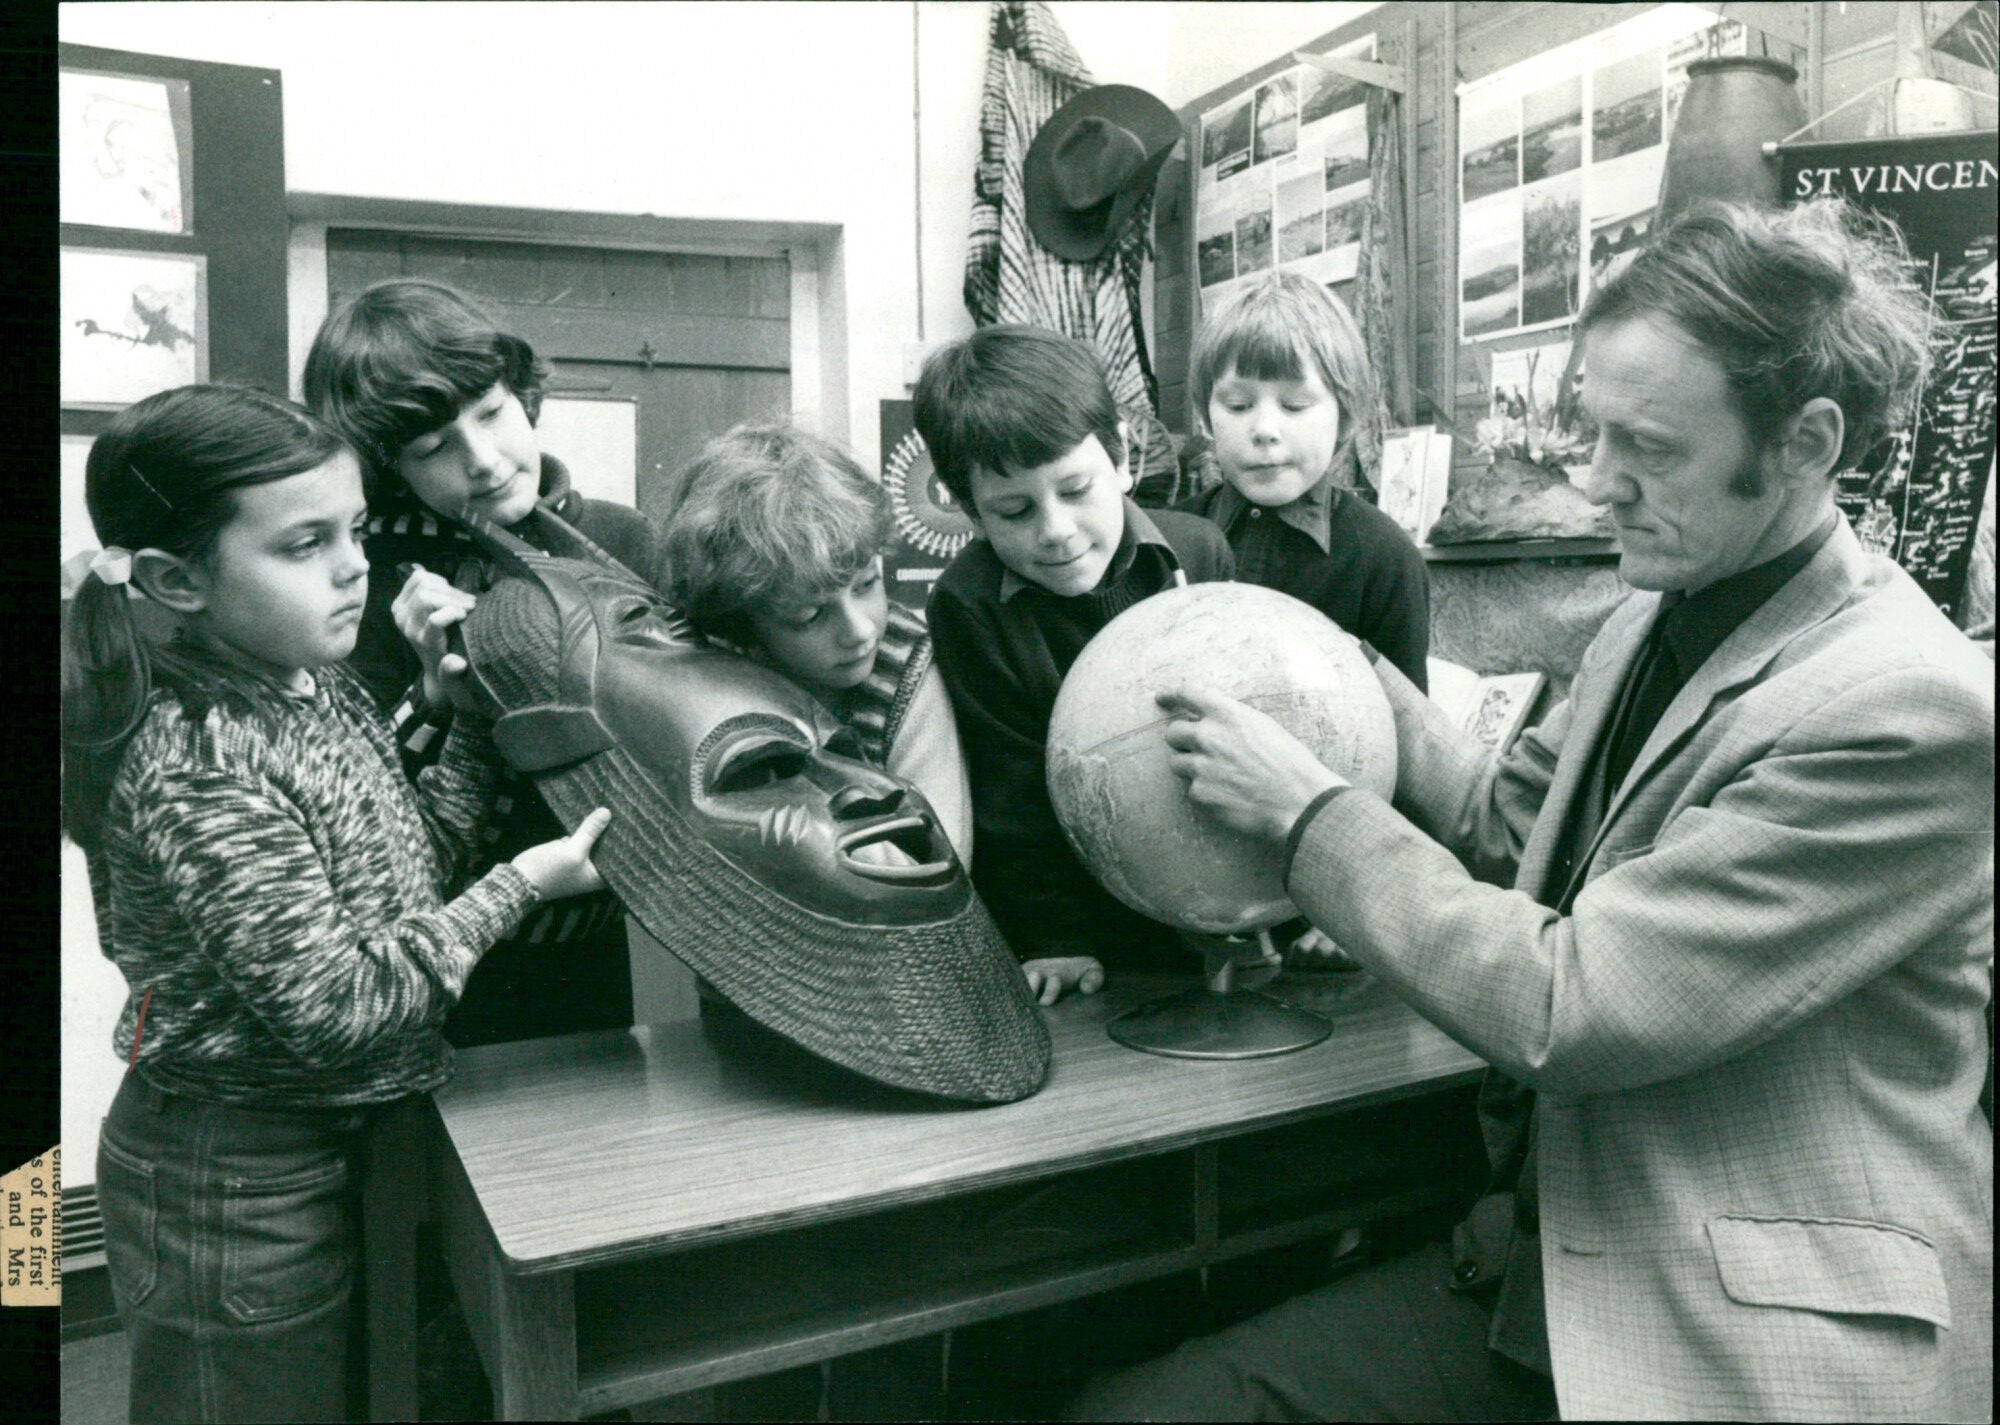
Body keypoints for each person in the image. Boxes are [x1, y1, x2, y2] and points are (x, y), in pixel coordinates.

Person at [1079, 199, 1994, 1422]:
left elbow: (1571, 1003)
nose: (1597, 484)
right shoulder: (1654, 614)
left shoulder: (1905, 710)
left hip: (1737, 1326)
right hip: (1546, 1257)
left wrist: (1305, 817)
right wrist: (1340, 682)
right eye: (1590, 431)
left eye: (1646, 447)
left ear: (1802, 442)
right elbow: (1512, 837)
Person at [60, 385, 611, 1424]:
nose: (355, 565)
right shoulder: (199, 759)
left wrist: (459, 719)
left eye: (354, 530)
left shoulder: (313, 683)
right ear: (177, 580)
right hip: (236, 1182)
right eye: (304, 543)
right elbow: (336, 1007)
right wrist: (518, 888)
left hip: (339, 1146)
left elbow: (411, 865)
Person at [304, 277, 658, 1048]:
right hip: (430, 976)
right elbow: (346, 826)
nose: (486, 461)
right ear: (390, 470)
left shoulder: (625, 539)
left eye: (493, 412)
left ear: (522, 394)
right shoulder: (359, 584)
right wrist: (429, 699)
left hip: (595, 954)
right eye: (433, 448)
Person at [915, 324, 1234, 1004]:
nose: (1055, 530)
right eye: (1014, 510)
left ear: (1122, 456)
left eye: (1076, 488)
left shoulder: (1202, 554)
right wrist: (1053, 935)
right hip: (1076, 929)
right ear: (971, 510)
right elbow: (1006, 790)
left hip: (1216, 899)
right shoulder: (967, 605)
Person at [657, 420, 972, 861]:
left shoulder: (905, 666)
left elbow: (937, 861)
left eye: (867, 584)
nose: (860, 631)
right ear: (740, 629)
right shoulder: (703, 677)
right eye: (810, 615)